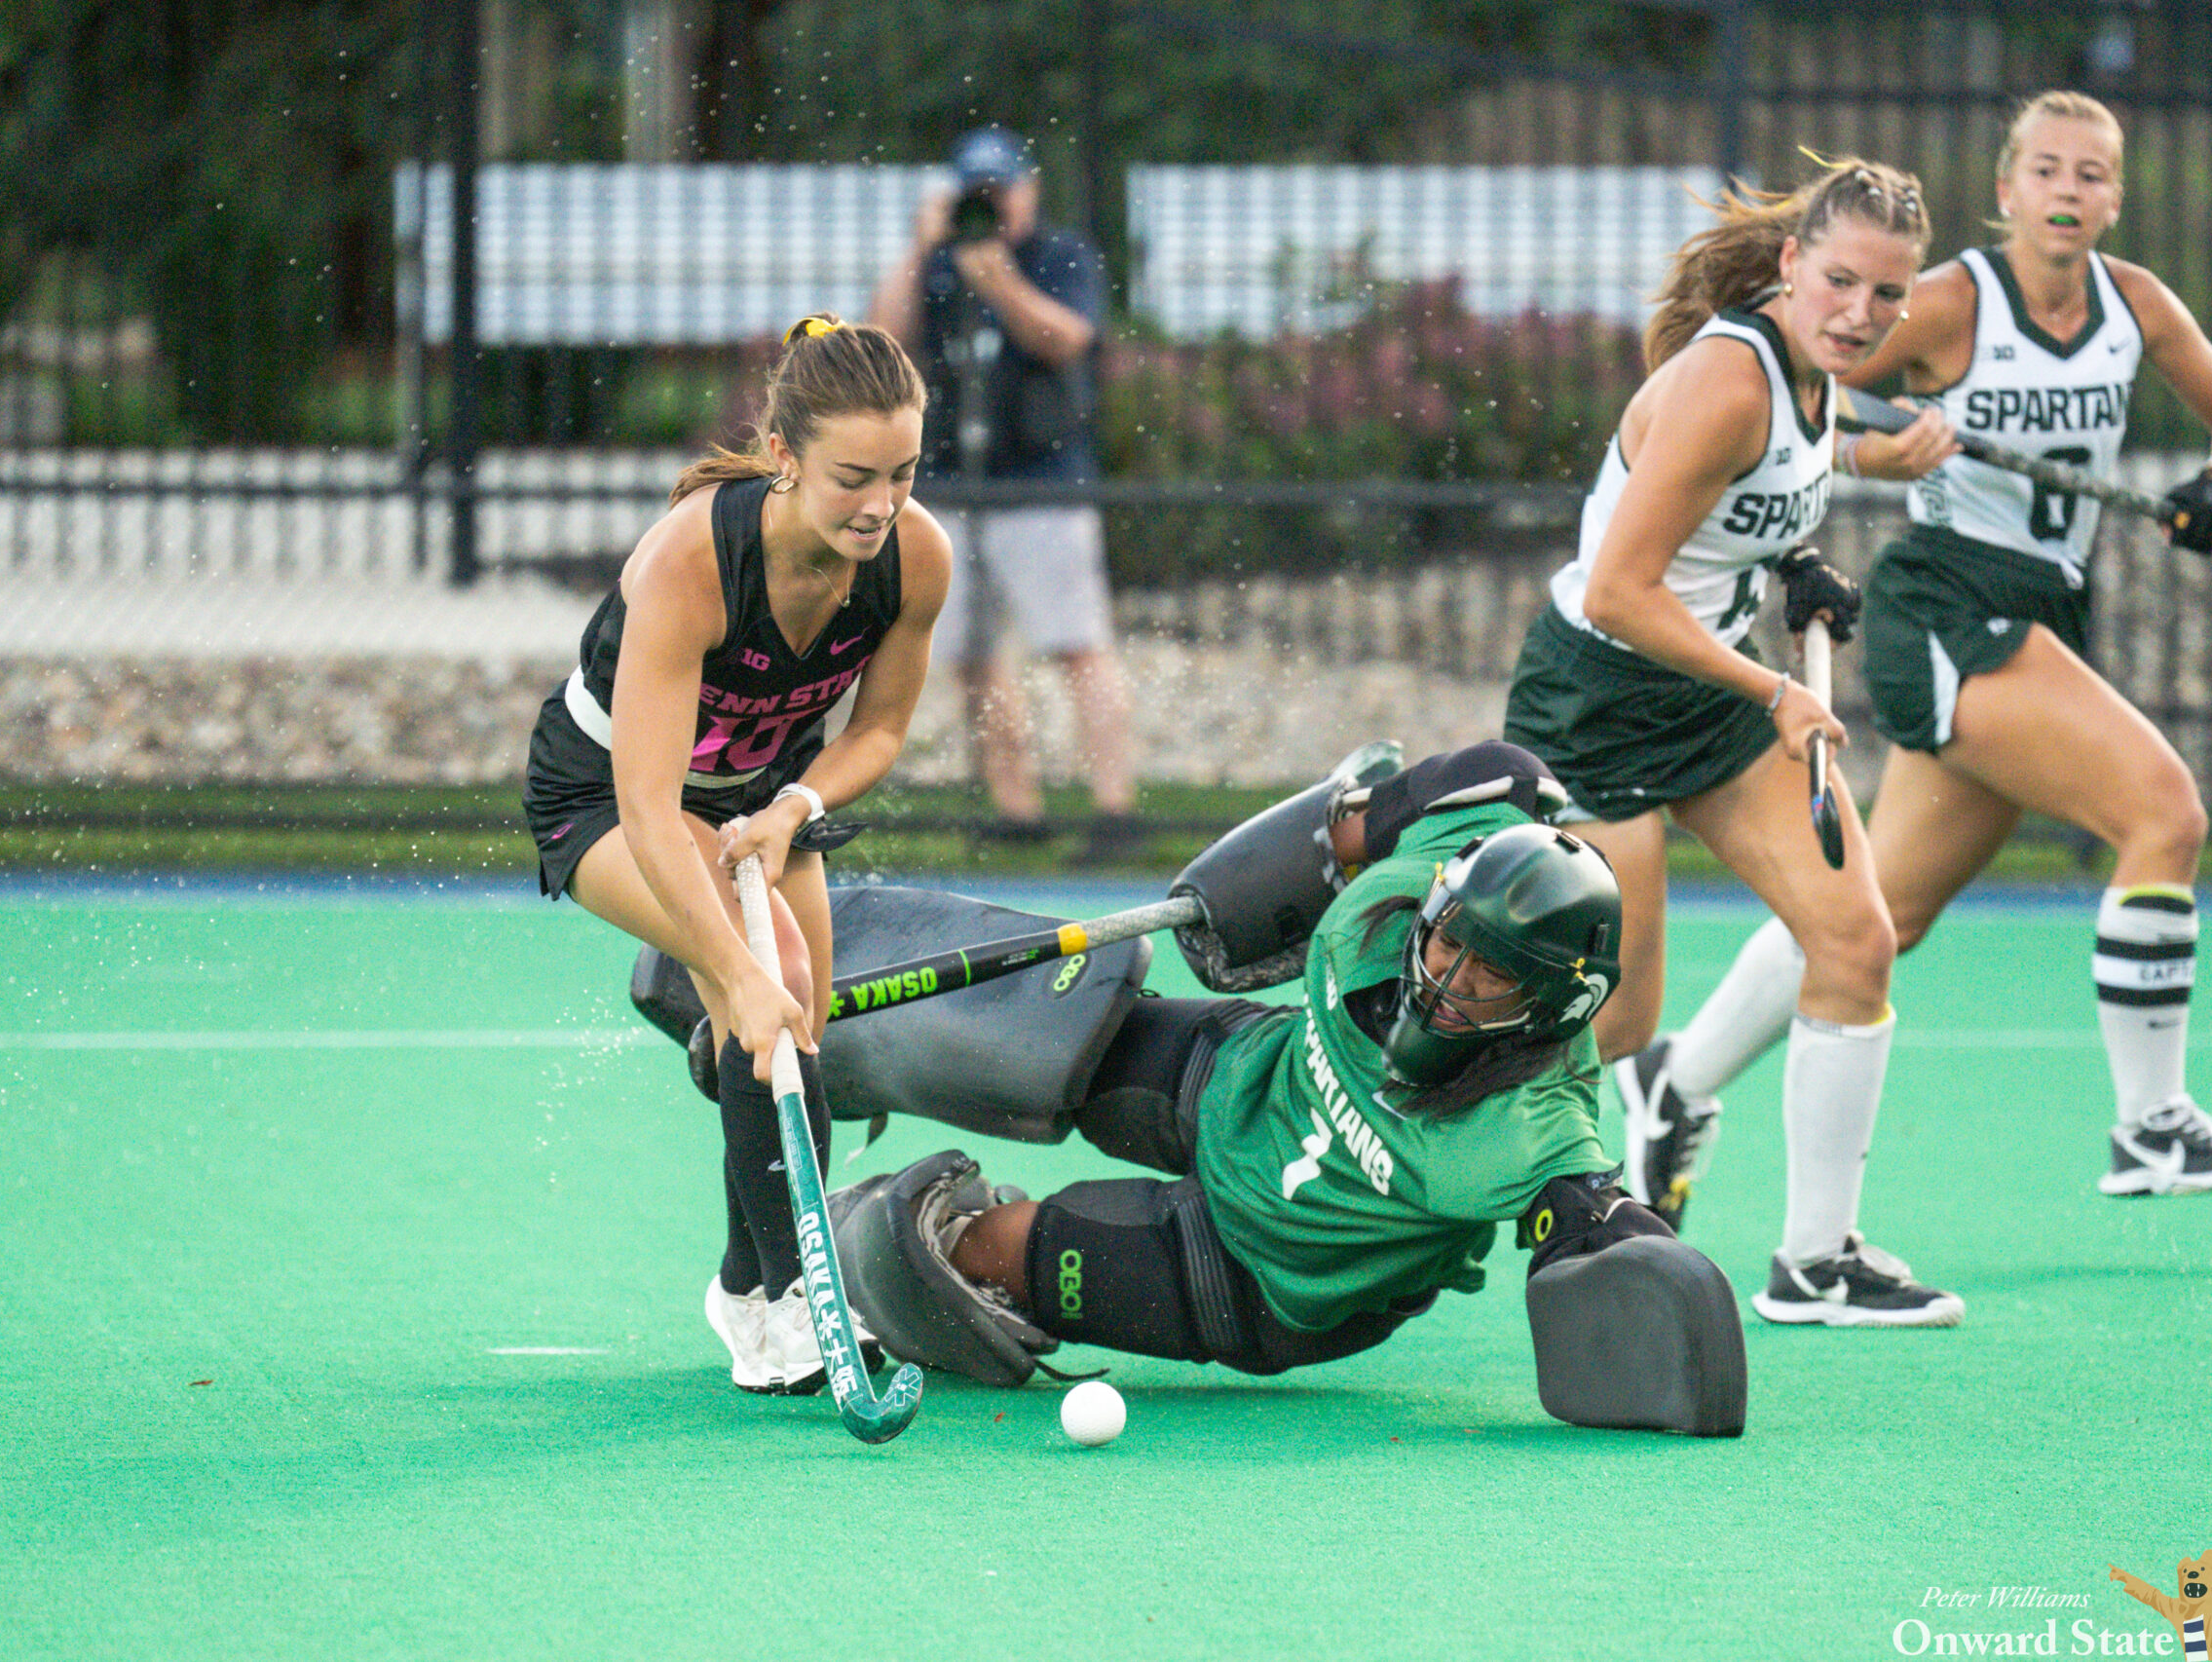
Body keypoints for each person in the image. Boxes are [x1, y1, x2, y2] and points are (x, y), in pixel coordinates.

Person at [1618, 93, 2212, 1215]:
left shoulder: (2136, 305)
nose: (2068, 190)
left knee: (1876, 917)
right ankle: (2150, 1124)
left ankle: (1667, 1081)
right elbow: (1799, 387)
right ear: (2005, 190)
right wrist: (1882, 445)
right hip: (1948, 605)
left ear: (2116, 196)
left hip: (2046, 608)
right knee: (2166, 808)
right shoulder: (1949, 304)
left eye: (2092, 174)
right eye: (2046, 170)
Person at [824, 744, 1749, 1437]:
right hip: (1241, 1077)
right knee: (1031, 1029)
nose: (1449, 976)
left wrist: (1632, 1267)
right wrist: (1373, 806)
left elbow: (1606, 1233)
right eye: (1447, 939)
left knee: (959, 1249)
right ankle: (827, 1018)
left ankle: (900, 1252)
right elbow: (1486, 784)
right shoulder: (1405, 882)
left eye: (1492, 975)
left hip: (1252, 1272)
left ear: (1552, 1006)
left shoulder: (1537, 1132)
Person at [1497, 158, 1972, 1328]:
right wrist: (1773, 688)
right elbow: (1616, 586)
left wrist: (1802, 548)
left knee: (1855, 937)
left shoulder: (1817, 380)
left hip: (1700, 693)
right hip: (1601, 697)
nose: (1862, 314)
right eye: (1842, 283)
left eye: (1888, 295)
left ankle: (1816, 1259)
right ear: (1789, 266)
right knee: (1616, 1020)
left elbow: (1751, 501)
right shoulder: (1727, 378)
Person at [520, 315, 950, 1396]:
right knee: (771, 992)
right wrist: (738, 973)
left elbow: (881, 728)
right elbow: (651, 804)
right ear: (783, 457)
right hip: (609, 800)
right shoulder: (691, 560)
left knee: (795, 1030)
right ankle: (788, 1301)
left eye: (901, 472)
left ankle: (744, 1289)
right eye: (853, 476)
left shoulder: (913, 556)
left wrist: (797, 802)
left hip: (763, 799)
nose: (880, 503)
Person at [869, 124, 1142, 856]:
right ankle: (1017, 810)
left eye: (1002, 191)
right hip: (956, 481)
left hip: (1043, 482)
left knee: (1077, 645)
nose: (992, 207)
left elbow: (1068, 338)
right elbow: (880, 338)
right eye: (977, 196)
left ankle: (1116, 811)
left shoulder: (1060, 256)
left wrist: (998, 279)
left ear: (1029, 188)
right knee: (973, 655)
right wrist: (922, 247)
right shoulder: (938, 264)